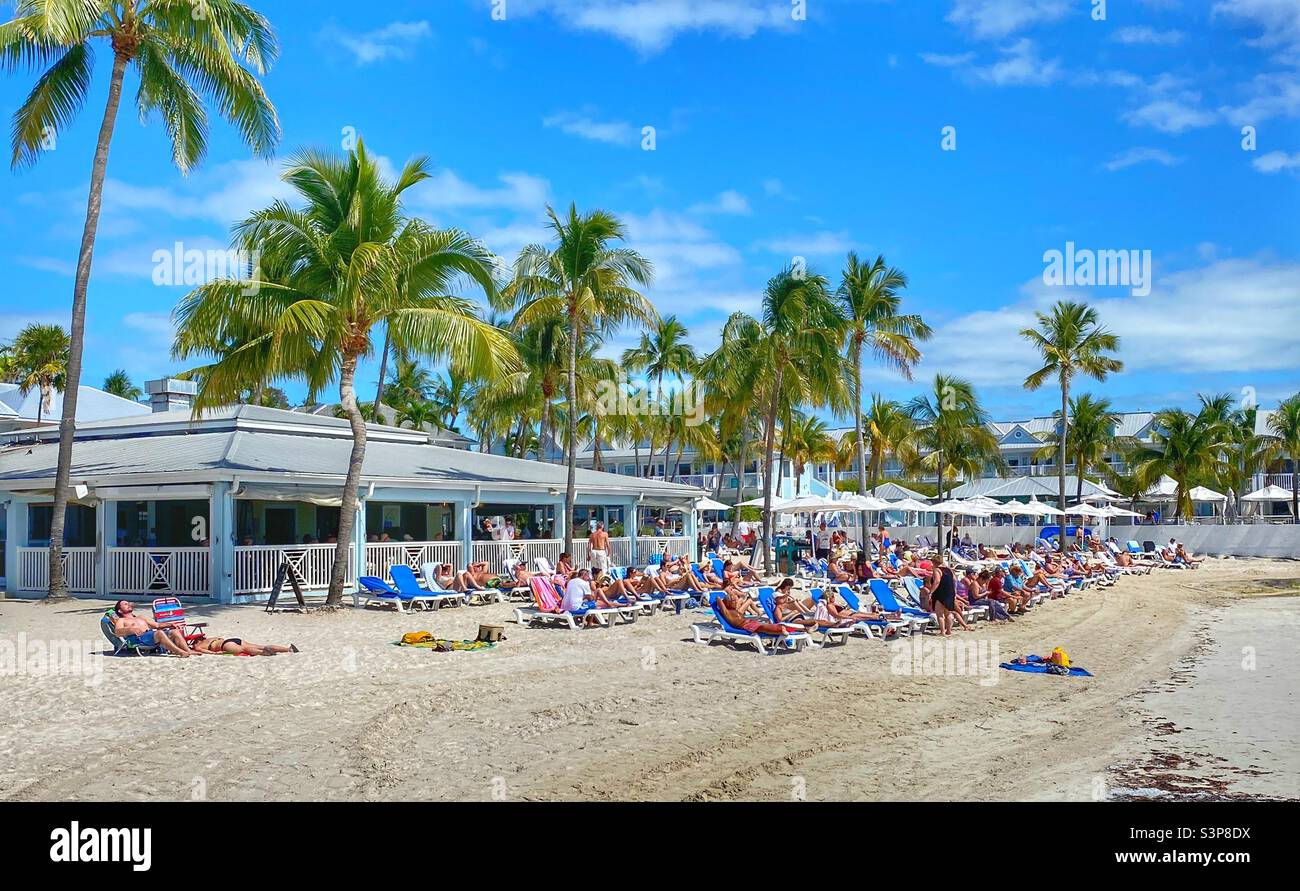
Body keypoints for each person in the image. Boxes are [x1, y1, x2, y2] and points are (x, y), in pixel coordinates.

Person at [108, 601, 198, 657]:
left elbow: (157, 625)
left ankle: (188, 650)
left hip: (150, 635)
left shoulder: (141, 617)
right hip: (140, 639)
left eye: (128, 603)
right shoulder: (122, 620)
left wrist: (170, 624)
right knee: (159, 633)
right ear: (120, 610)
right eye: (125, 604)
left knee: (174, 631)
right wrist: (131, 630)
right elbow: (117, 632)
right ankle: (180, 652)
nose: (129, 605)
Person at [921, 557, 969, 636]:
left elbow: (937, 581)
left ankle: (942, 631)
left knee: (939, 614)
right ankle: (949, 631)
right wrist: (953, 591)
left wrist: (931, 592)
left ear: (934, 562)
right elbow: (954, 580)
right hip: (950, 593)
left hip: (941, 593)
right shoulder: (949, 570)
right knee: (948, 613)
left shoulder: (937, 570)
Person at [191, 635, 299, 656]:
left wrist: (216, 654)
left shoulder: (198, 646)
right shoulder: (210, 638)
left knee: (246, 650)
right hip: (233, 639)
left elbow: (203, 651)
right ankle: (288, 649)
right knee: (259, 645)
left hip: (226, 645)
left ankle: (264, 653)